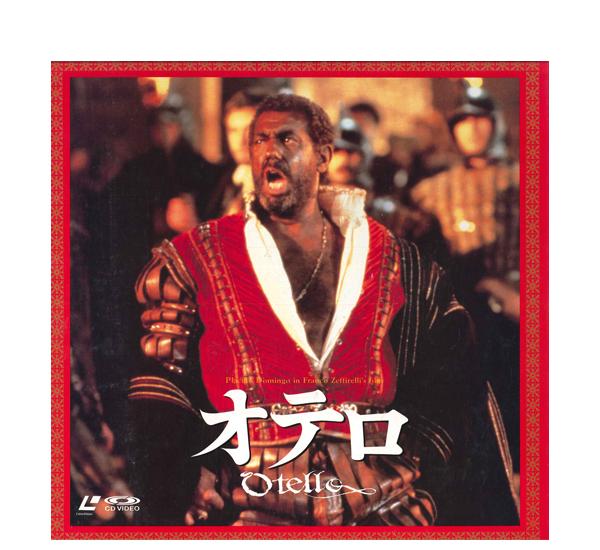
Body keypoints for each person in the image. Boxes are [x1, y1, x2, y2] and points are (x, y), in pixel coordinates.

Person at [127, 93, 518, 526]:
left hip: (383, 509)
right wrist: (186, 471)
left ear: (323, 157)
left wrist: (422, 468)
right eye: (259, 140)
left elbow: (453, 378)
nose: (270, 151)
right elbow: (159, 376)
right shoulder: (197, 256)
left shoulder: (395, 260)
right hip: (250, 506)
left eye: (287, 139)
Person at [410, 85, 521, 471]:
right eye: (463, 121)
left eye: (480, 120)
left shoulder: (528, 180)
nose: (472, 129)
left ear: (496, 124)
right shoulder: (430, 191)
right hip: (463, 309)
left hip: (521, 307)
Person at [202, 87, 271, 219]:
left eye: (249, 130)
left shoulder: (281, 185)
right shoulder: (223, 179)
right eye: (233, 130)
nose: (240, 140)